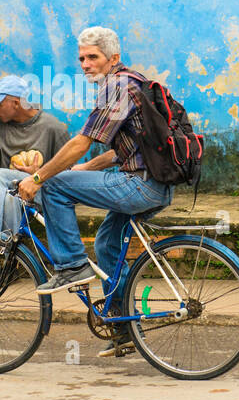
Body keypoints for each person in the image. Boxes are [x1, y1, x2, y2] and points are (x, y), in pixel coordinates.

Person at [16, 26, 173, 358]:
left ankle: (72, 266)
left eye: (93, 57)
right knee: (106, 243)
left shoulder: (116, 87)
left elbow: (80, 143)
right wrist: (85, 170)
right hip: (156, 185)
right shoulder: (135, 82)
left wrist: (39, 177)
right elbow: (125, 149)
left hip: (138, 186)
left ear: (113, 58)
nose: (85, 64)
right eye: (82, 58)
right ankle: (125, 328)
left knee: (54, 187)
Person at [0, 75, 70, 242]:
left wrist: (39, 174)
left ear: (16, 103)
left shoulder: (53, 127)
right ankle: (10, 255)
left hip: (40, 193)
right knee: (11, 199)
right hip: (12, 195)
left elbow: (69, 174)